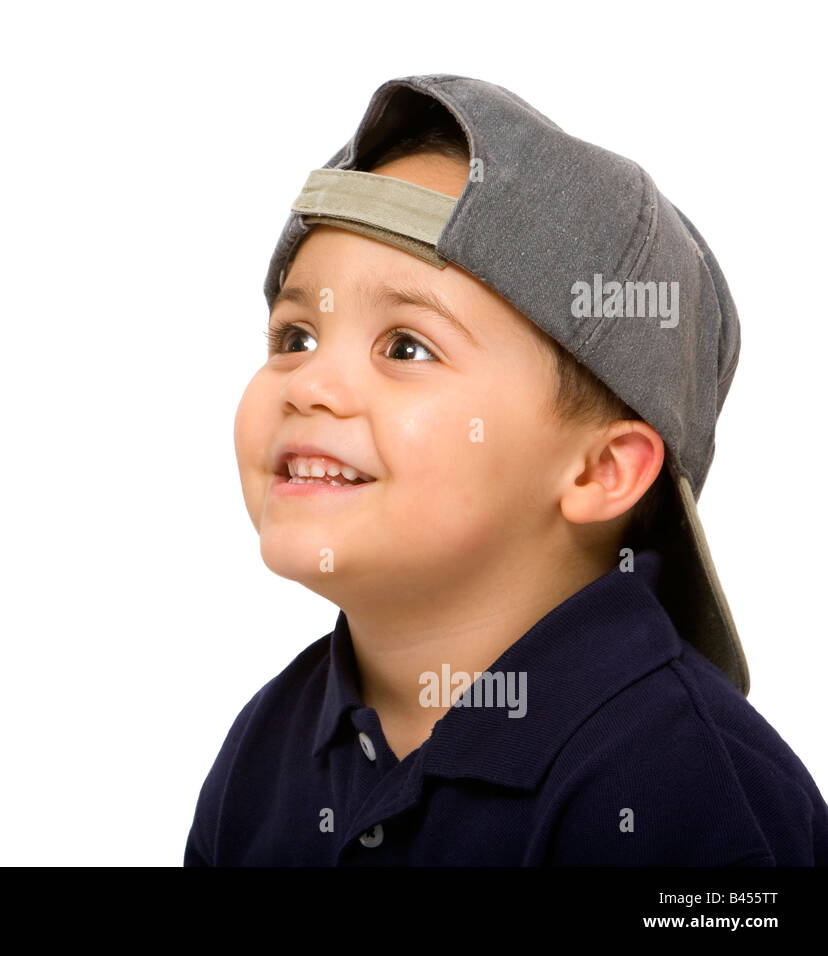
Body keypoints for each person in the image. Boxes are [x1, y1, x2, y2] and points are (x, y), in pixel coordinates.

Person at [183, 74, 828, 865]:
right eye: (294, 337)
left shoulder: (681, 788)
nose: (310, 385)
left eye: (407, 348)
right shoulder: (266, 747)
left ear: (600, 471)